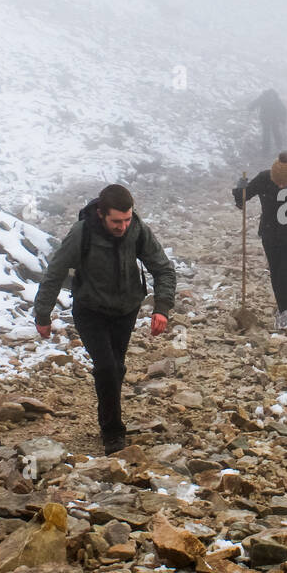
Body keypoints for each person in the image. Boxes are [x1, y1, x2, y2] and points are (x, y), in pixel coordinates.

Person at [33, 184, 176, 454]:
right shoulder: (81, 233)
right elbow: (55, 271)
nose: (122, 226)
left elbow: (163, 269)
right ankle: (112, 432)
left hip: (126, 309)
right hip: (90, 310)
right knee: (107, 367)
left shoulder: (137, 229)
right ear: (101, 214)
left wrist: (162, 307)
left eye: (127, 219)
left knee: (116, 368)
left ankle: (109, 411)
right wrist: (42, 313)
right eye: (116, 221)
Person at [233, 150, 287, 329]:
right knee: (275, 274)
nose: (282, 186)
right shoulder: (264, 178)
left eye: (285, 183)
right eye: (278, 182)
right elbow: (242, 200)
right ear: (273, 176)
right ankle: (282, 307)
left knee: (283, 274)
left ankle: (284, 313)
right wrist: (240, 188)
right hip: (271, 235)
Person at [249, 88, 287, 153]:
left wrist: (283, 118)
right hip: (265, 118)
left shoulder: (277, 100)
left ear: (274, 96)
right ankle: (266, 149)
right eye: (270, 97)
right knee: (266, 134)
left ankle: (279, 147)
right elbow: (255, 103)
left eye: (272, 97)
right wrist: (251, 107)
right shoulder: (263, 98)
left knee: (276, 132)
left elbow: (283, 110)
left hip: (275, 119)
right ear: (267, 95)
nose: (271, 98)